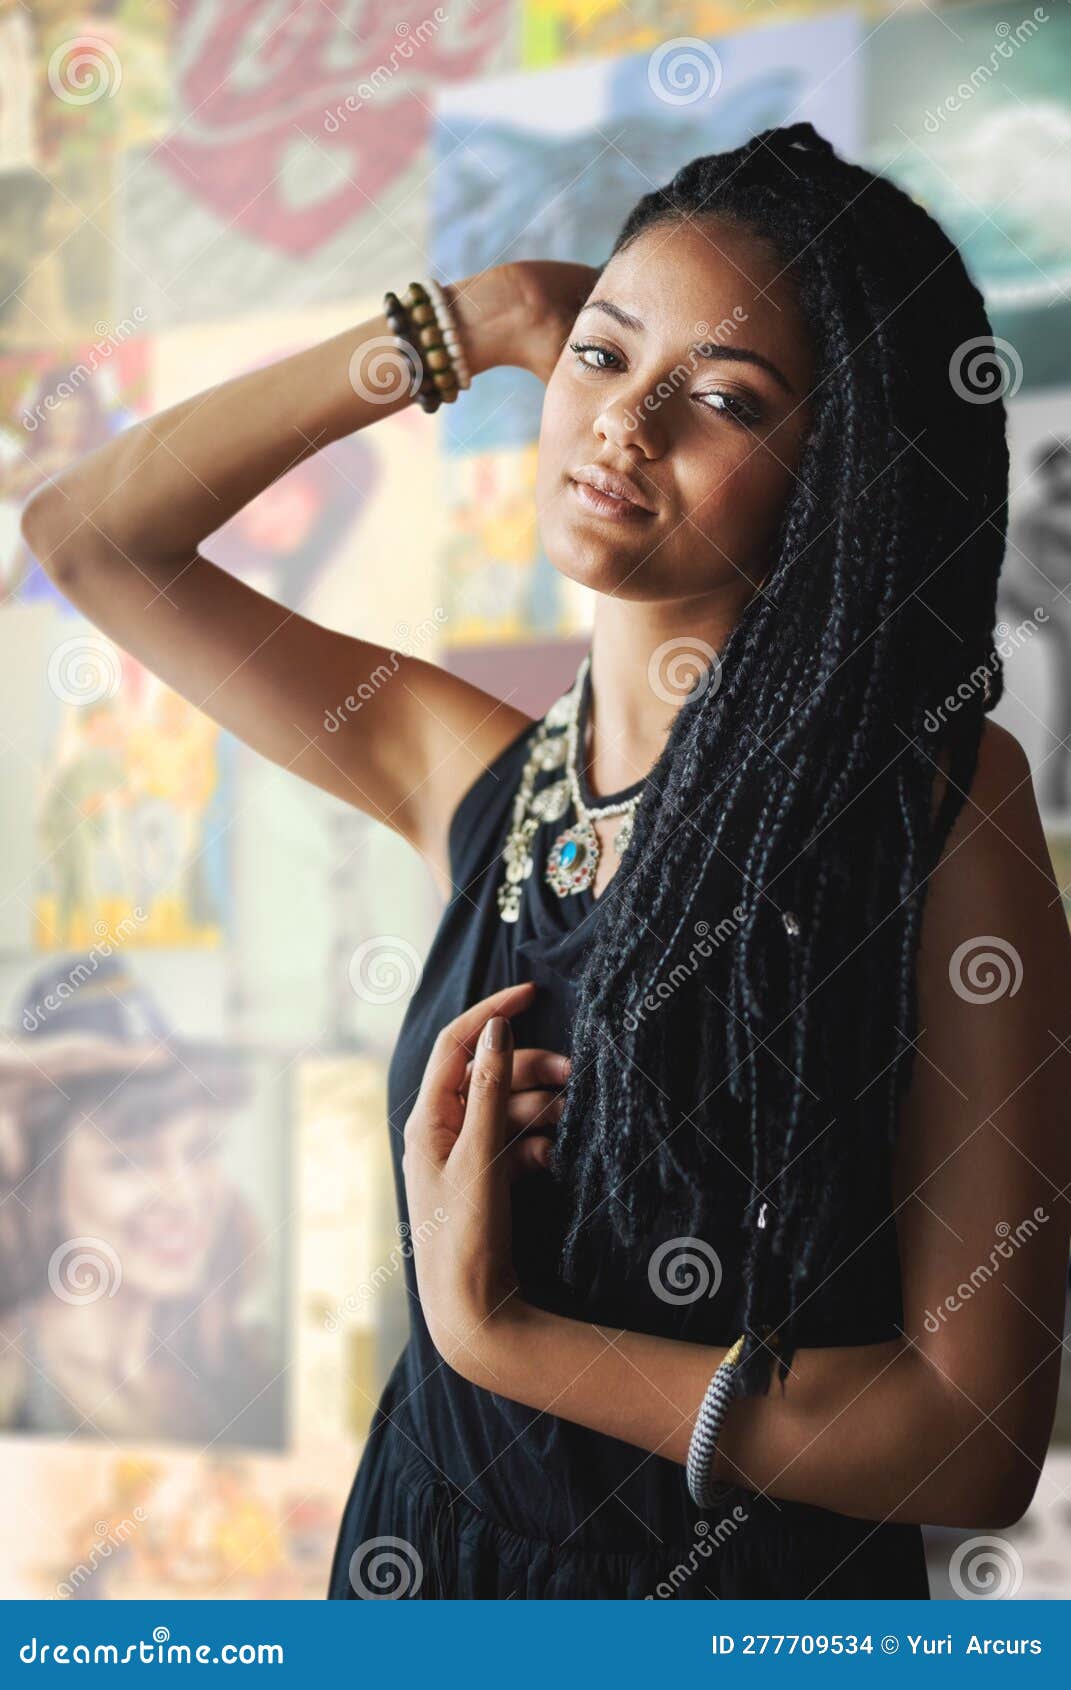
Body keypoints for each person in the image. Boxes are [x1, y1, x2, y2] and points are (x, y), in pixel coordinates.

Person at [20, 122, 1071, 1599]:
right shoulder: (470, 770)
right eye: (601, 356)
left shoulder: (939, 814)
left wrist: (495, 1335)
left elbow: (971, 1438)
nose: (624, 428)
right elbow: (90, 536)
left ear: (829, 477)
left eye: (722, 399)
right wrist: (487, 312)